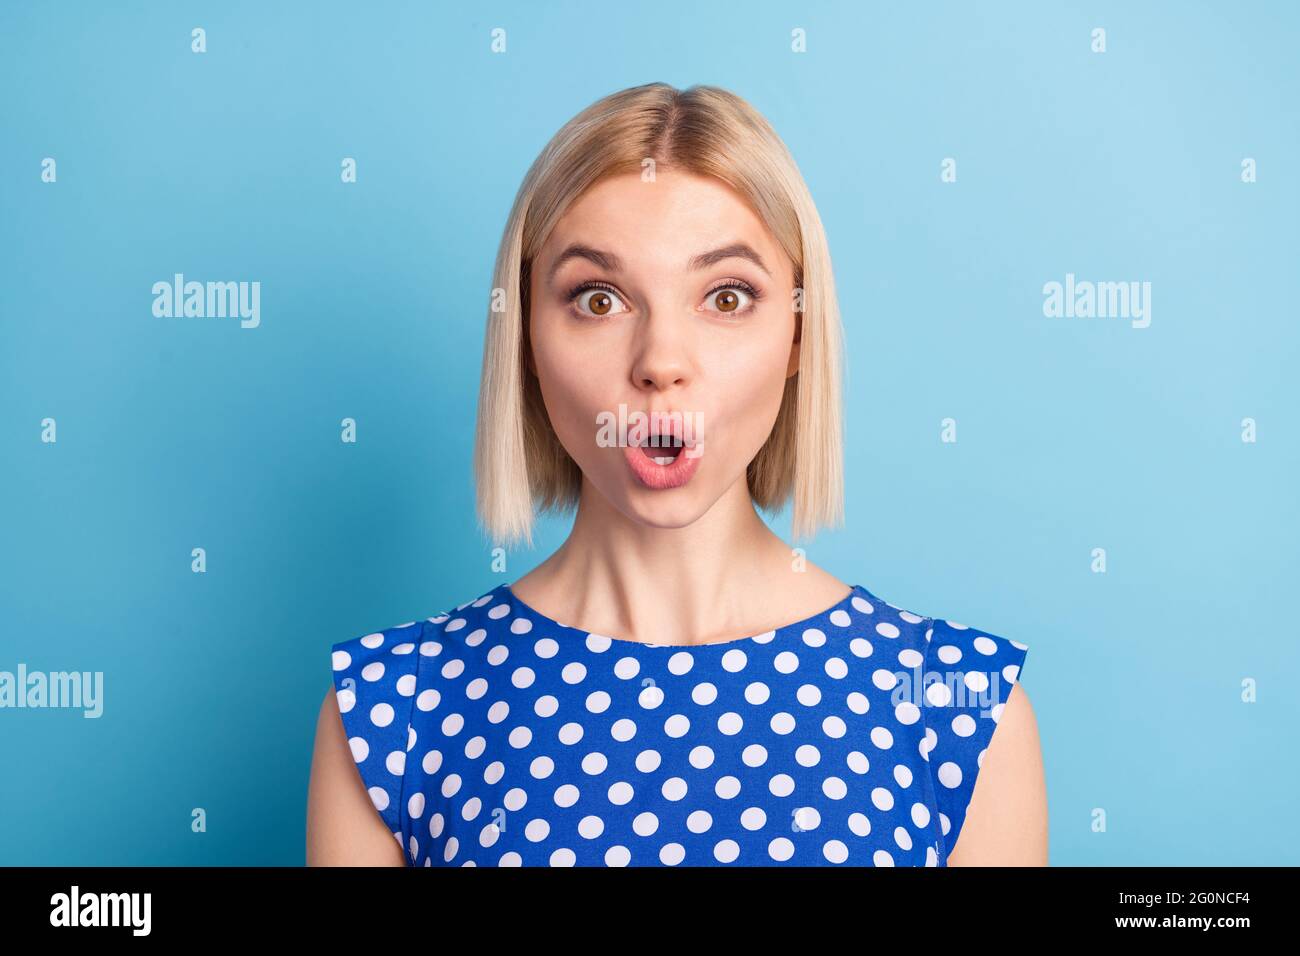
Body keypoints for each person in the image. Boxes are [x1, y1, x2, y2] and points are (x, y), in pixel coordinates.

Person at [306, 82, 1046, 867]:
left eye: (726, 297)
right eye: (598, 299)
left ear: (799, 333)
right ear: (525, 337)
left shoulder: (955, 707)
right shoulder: (397, 710)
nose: (661, 361)